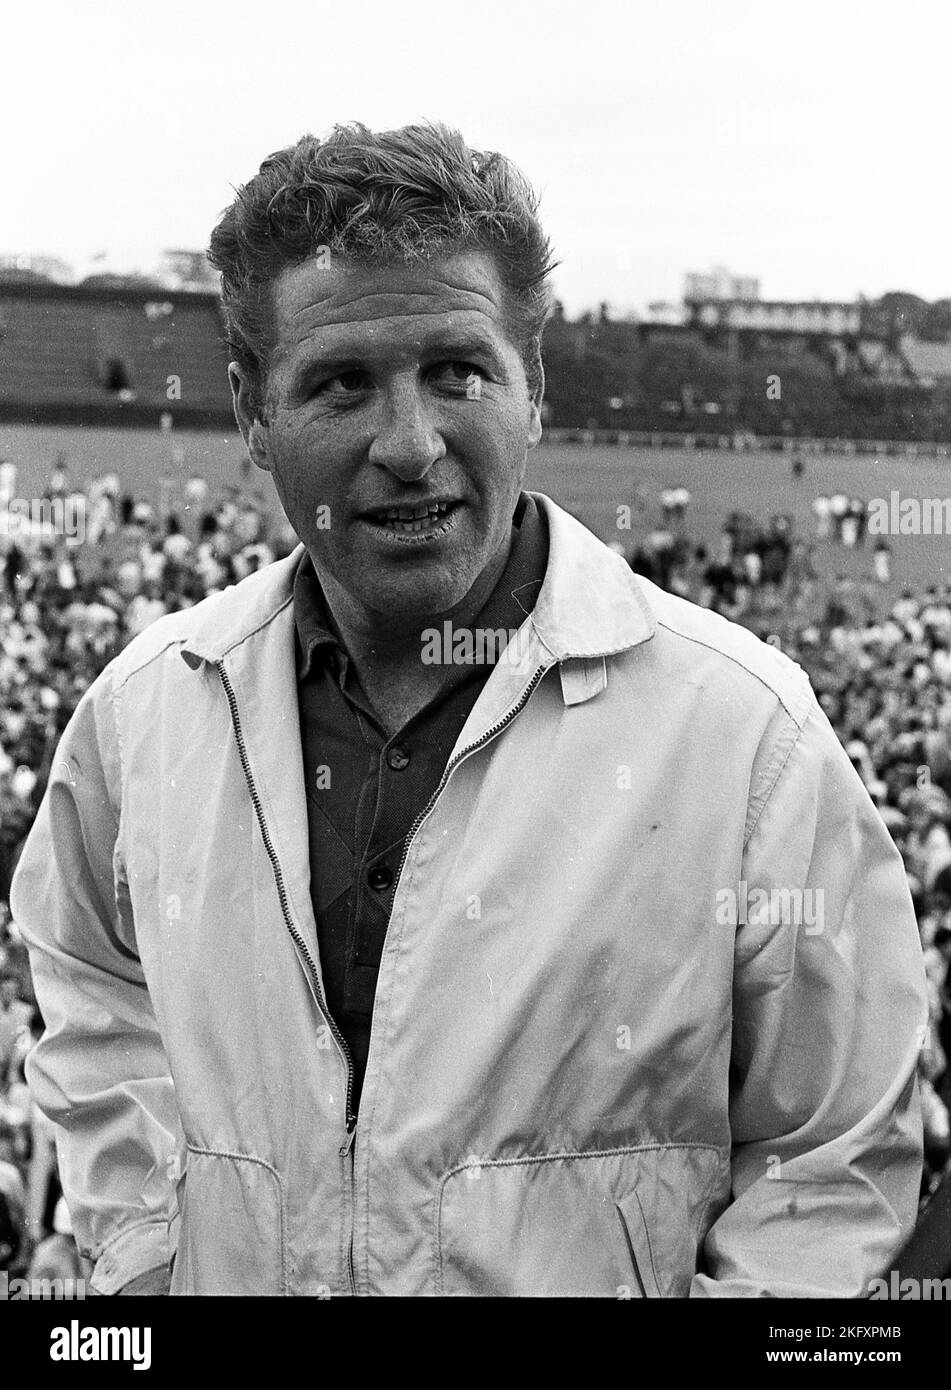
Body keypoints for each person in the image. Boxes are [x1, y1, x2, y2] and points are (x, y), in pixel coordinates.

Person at [12, 122, 927, 1298]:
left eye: (458, 371)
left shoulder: (747, 735)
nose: (411, 443)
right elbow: (86, 973)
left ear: (532, 385)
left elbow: (836, 1160)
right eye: (343, 383)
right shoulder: (146, 712)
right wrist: (145, 1255)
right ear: (249, 409)